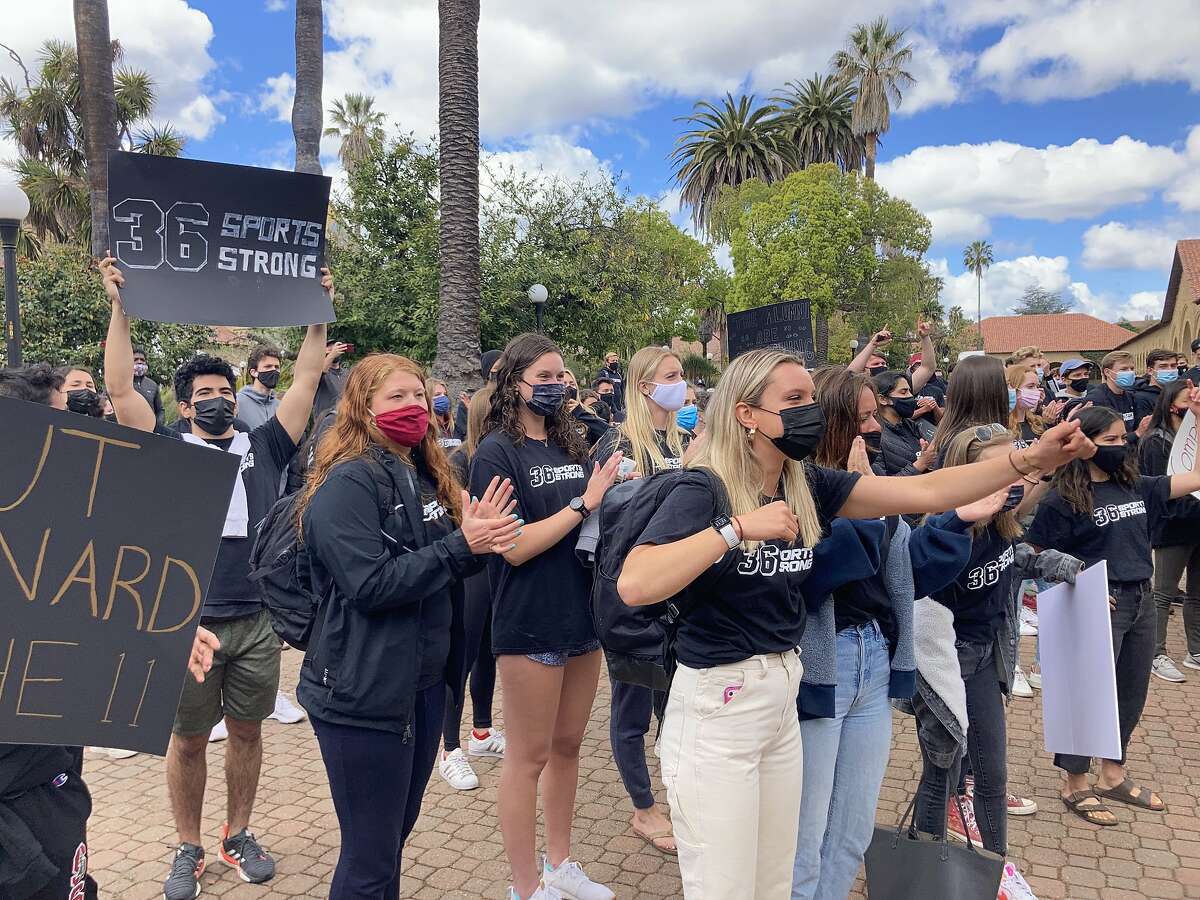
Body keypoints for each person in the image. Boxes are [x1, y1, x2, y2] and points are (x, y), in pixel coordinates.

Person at [617, 348, 1093, 899]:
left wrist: (1028, 460)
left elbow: (925, 492)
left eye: (811, 400)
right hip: (718, 704)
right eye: (792, 400)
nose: (809, 412)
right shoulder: (705, 487)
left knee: (775, 879)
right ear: (747, 413)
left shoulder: (806, 482)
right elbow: (636, 581)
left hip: (781, 692)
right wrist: (737, 529)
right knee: (726, 884)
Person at [100, 253, 331, 898]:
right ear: (182, 405)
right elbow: (120, 389)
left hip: (256, 619)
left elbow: (307, 385)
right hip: (189, 622)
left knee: (250, 734)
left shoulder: (262, 447)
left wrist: (316, 314)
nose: (217, 400)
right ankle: (188, 845)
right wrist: (119, 304)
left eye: (224, 391)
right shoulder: (167, 447)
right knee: (189, 738)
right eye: (203, 395)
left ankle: (237, 833)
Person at [295, 353, 520, 898]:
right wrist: (459, 546)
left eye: (419, 395)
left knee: (391, 841)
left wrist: (475, 542)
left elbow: (434, 568)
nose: (415, 406)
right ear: (362, 407)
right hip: (361, 699)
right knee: (370, 859)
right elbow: (370, 586)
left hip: (418, 691)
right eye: (396, 397)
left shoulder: (424, 475)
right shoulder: (348, 483)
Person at [0, 363, 223, 900]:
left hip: (52, 788)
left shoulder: (52, 522)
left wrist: (159, 632)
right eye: (63, 422)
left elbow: (79, 600)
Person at [792, 367, 985, 900]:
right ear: (831, 424)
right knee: (804, 835)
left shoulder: (872, 478)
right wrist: (870, 511)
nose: (876, 427)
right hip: (820, 665)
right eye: (864, 418)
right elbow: (812, 578)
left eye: (877, 414)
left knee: (851, 833)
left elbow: (905, 572)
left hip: (873, 662)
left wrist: (957, 521)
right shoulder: (796, 487)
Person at [470, 333, 624, 900]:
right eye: (545, 378)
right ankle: (525, 886)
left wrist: (611, 492)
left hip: (582, 618)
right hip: (529, 621)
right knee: (527, 758)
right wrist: (585, 502)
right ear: (514, 384)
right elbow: (511, 546)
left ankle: (561, 864)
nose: (556, 387)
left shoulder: (569, 444)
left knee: (567, 748)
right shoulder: (495, 453)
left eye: (562, 377)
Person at [1026, 399, 1200, 826]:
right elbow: (1032, 551)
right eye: (1111, 440)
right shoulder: (1061, 499)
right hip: (1096, 604)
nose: (1123, 446)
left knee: (1130, 692)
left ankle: (1112, 773)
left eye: (1124, 438)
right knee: (1086, 694)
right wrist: (1076, 580)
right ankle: (1075, 781)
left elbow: (1194, 477)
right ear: (1083, 444)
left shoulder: (1136, 486)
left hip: (1140, 600)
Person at [592, 347, 694, 857]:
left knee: (676, 709)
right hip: (631, 602)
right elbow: (606, 527)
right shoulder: (620, 444)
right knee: (631, 710)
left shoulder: (685, 441)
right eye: (671, 376)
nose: (682, 384)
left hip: (683, 601)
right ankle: (642, 807)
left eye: (682, 374)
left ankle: (679, 796)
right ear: (643, 386)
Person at [439, 385, 508, 792]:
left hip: (496, 566)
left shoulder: (500, 455)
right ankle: (449, 750)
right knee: (461, 659)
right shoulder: (462, 460)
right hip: (469, 573)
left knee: (486, 653)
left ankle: (481, 732)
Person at [1139, 382, 1200, 683]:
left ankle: (1196, 650)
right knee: (1162, 592)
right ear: (1172, 405)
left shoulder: (1193, 436)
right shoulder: (1156, 442)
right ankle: (1156, 652)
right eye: (1187, 399)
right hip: (1173, 525)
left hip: (1197, 523)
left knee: (1197, 593)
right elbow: (1158, 488)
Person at [929, 355, 1011, 460]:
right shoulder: (974, 444)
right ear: (988, 391)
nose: (1014, 390)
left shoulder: (955, 434)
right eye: (1007, 385)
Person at [872, 369, 937, 475]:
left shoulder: (910, 426)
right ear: (883, 399)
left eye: (910, 391)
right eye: (904, 392)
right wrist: (920, 464)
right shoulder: (874, 436)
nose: (910, 396)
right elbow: (880, 485)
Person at [1084, 350, 1140, 434]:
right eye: (1123, 369)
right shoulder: (1097, 398)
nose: (1130, 372)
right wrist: (1137, 434)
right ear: (1107, 372)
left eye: (1132, 369)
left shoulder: (1131, 396)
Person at [237, 346, 284, 430]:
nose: (274, 370)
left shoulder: (280, 406)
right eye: (268, 366)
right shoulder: (237, 402)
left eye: (277, 367)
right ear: (254, 372)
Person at [1133, 348, 1181, 423]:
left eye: (1173, 366)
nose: (1169, 370)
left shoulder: (1180, 393)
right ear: (1150, 371)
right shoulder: (1141, 398)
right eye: (1163, 366)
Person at [313, 339, 351, 419]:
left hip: (344, 423)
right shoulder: (317, 371)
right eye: (330, 349)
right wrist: (332, 355)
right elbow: (320, 373)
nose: (334, 350)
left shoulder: (347, 373)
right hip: (325, 423)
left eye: (336, 348)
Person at [131, 346, 166, 426]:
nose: (139, 362)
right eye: (135, 359)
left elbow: (160, 410)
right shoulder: (122, 383)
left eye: (142, 360)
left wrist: (158, 426)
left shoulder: (152, 385)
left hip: (150, 432)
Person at [430, 380, 463, 451]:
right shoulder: (426, 430)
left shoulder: (454, 428)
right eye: (437, 394)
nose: (443, 398)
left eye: (445, 394)